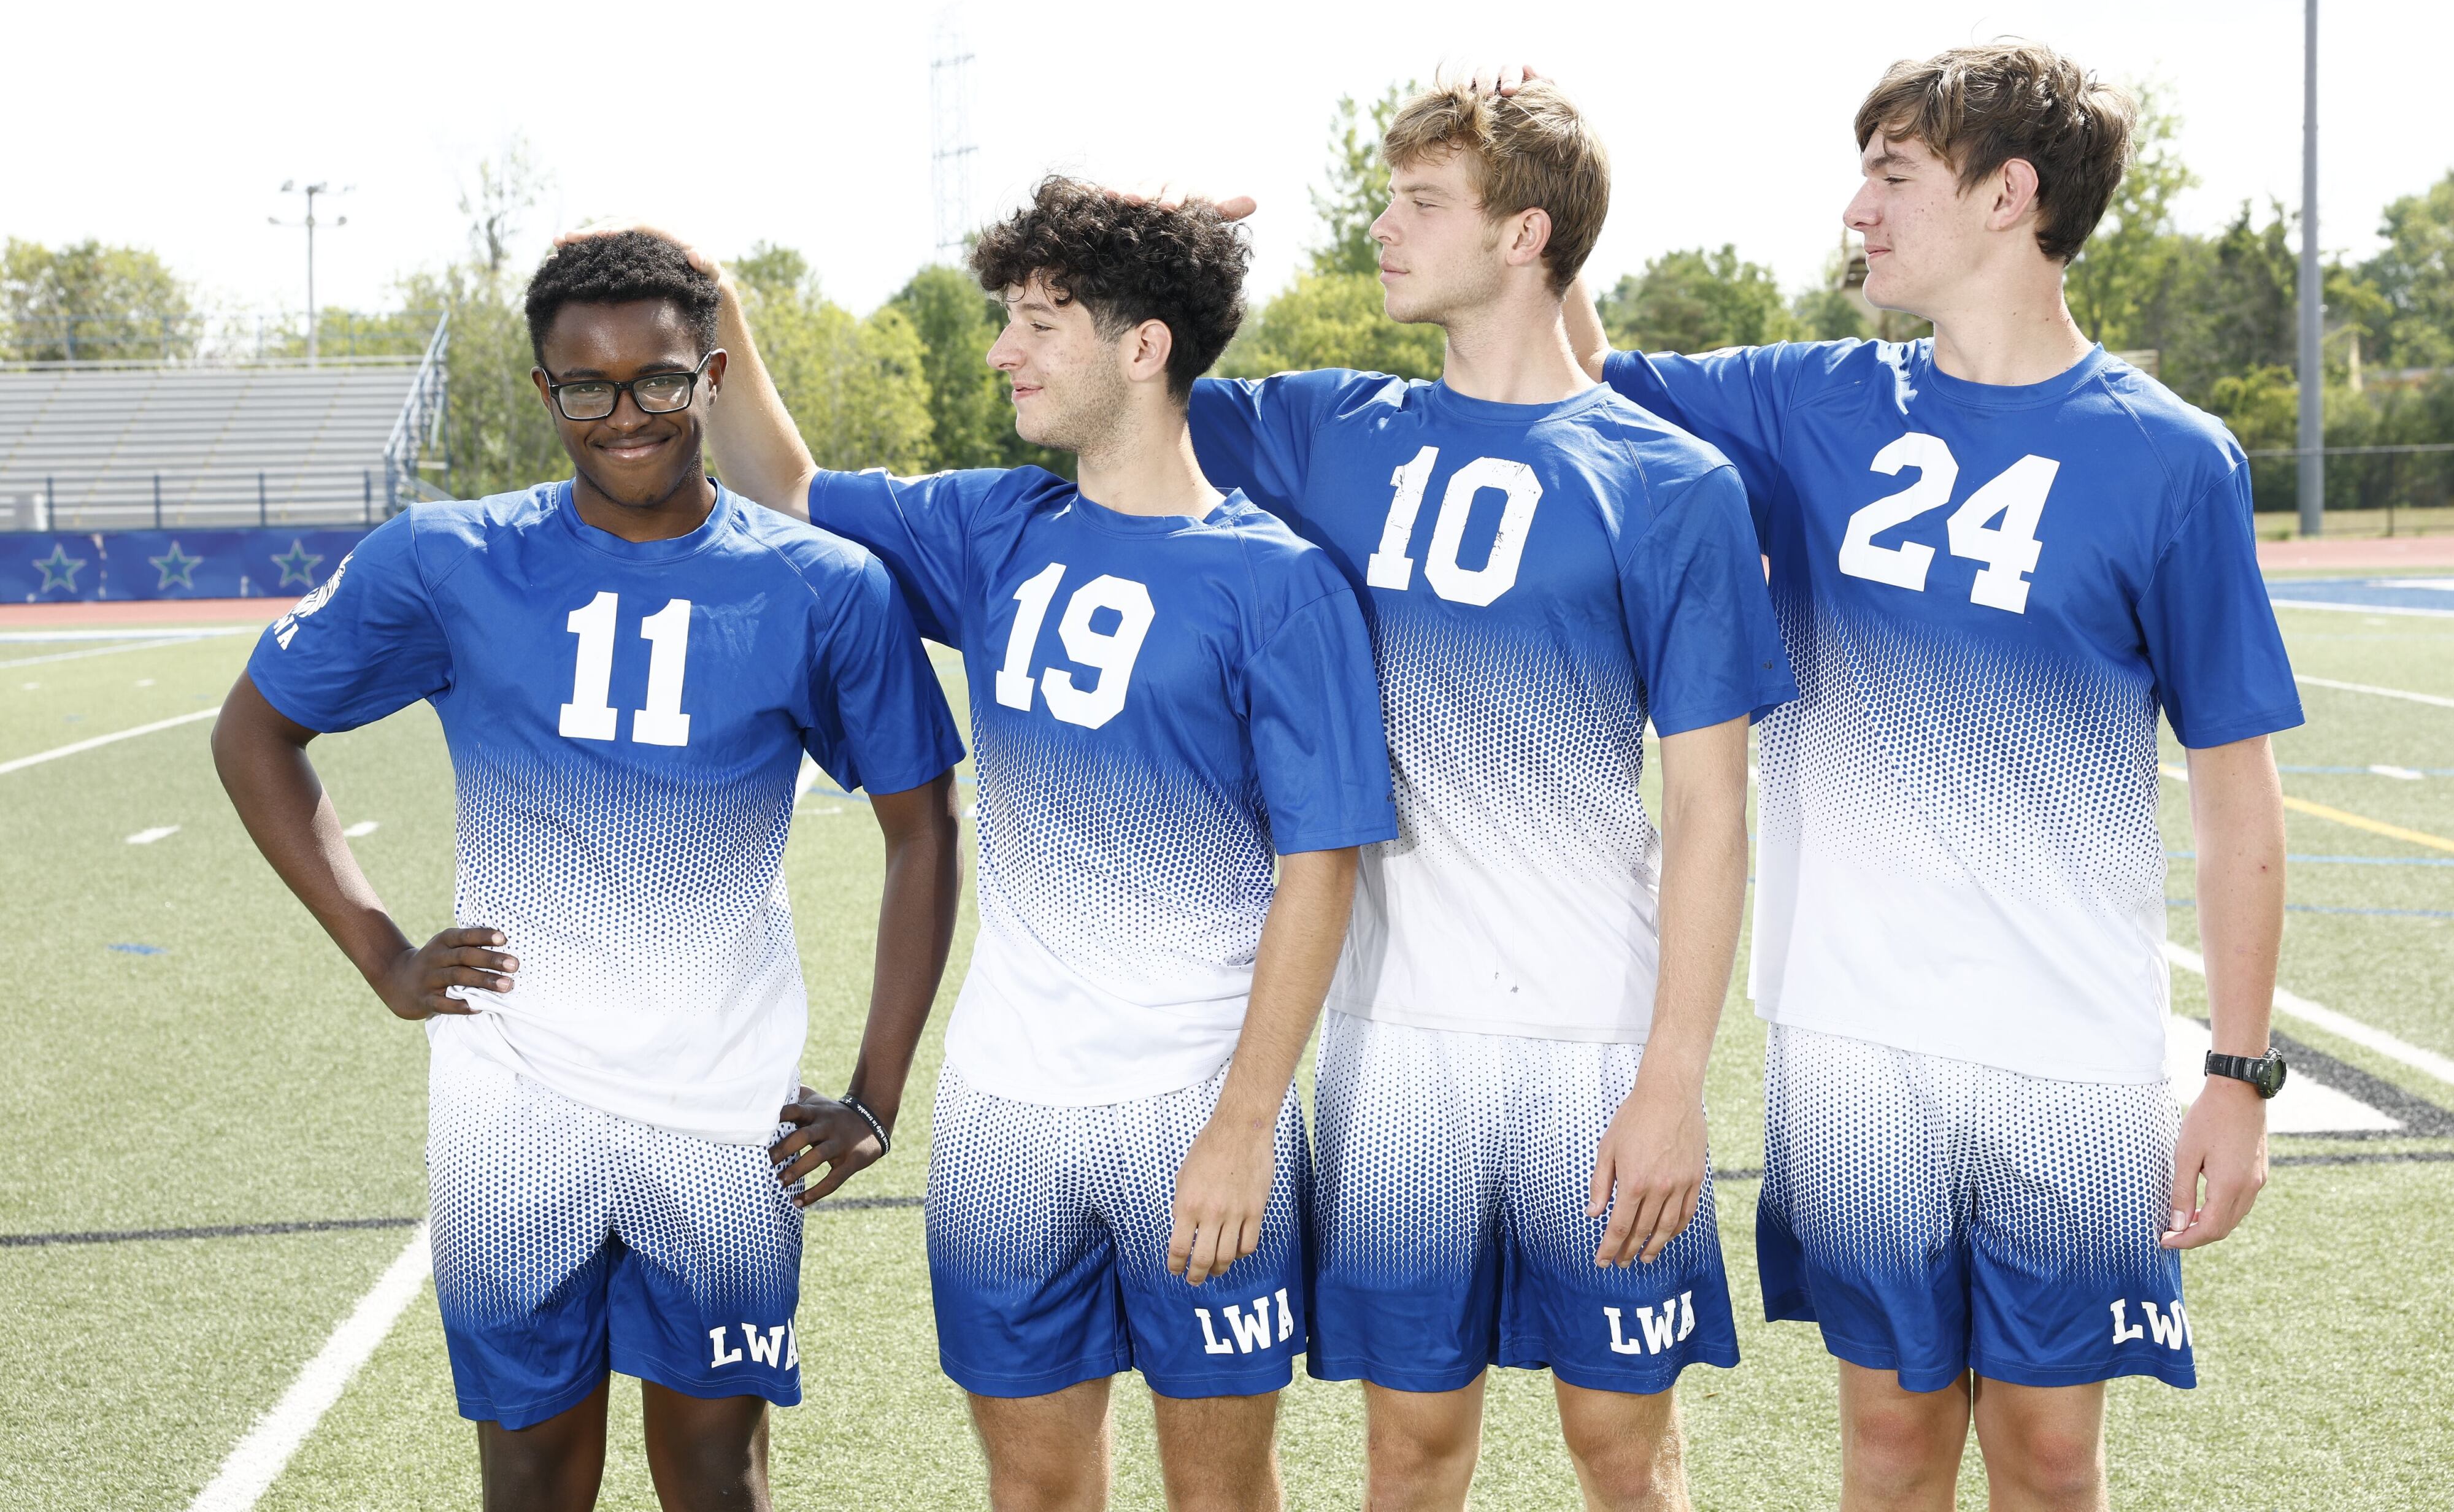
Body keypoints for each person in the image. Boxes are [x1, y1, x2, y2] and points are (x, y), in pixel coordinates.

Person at [1555, 42, 2300, 1510]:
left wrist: (2235, 1073)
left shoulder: (2170, 460)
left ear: (2008, 196)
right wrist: (1554, 170)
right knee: (1887, 1446)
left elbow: (2232, 793)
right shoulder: (1803, 404)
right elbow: (1582, 378)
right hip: (1852, 1043)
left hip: (2066, 1049)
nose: (1856, 209)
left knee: (2045, 1452)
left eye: (1893, 176)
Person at [660, 180, 1398, 1511]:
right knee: (1035, 1491)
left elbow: (1321, 869)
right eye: (1008, 317)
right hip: (1003, 1107)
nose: (1003, 350)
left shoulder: (1277, 583)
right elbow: (790, 488)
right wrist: (714, 297)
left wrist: (1241, 1129)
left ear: (1142, 345)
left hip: (1188, 1109)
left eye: (1039, 322)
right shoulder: (997, 527)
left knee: (1218, 1495)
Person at [211, 231, 966, 1512]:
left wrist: (877, 1093)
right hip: (514, 1100)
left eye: (660, 381)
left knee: (716, 1471)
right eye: (587, 386)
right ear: (542, 389)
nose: (626, 416)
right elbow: (254, 733)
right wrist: (384, 955)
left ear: (712, 375)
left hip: (724, 1105)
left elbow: (923, 831)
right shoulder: (444, 557)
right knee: (530, 1467)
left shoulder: (825, 585)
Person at [1180, 78, 1796, 1511]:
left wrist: (1670, 1080)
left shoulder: (1670, 483)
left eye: (1421, 203)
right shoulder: (1331, 431)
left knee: (1620, 1448)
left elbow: (1710, 809)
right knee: (1409, 1450)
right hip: (1390, 1045)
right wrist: (1164, 245)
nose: (1382, 228)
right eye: (1387, 197)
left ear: (1525, 234)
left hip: (1593, 1041)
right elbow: (1119, 387)